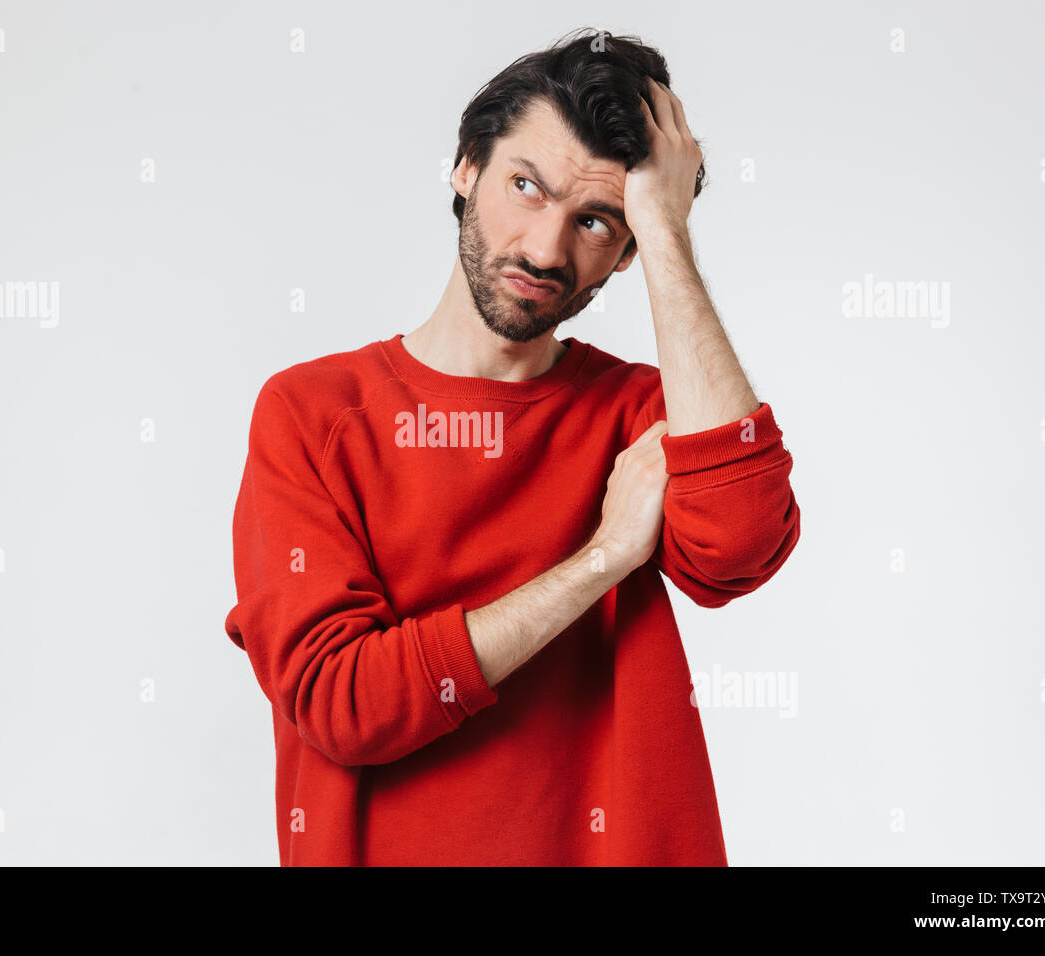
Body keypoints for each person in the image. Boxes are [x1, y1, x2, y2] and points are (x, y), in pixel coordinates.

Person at [224, 27, 801, 865]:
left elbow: (742, 542)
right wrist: (601, 561)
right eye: (526, 186)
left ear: (626, 250)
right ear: (466, 168)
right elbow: (344, 704)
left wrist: (667, 233)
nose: (544, 249)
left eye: (597, 222)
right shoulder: (313, 413)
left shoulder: (640, 411)